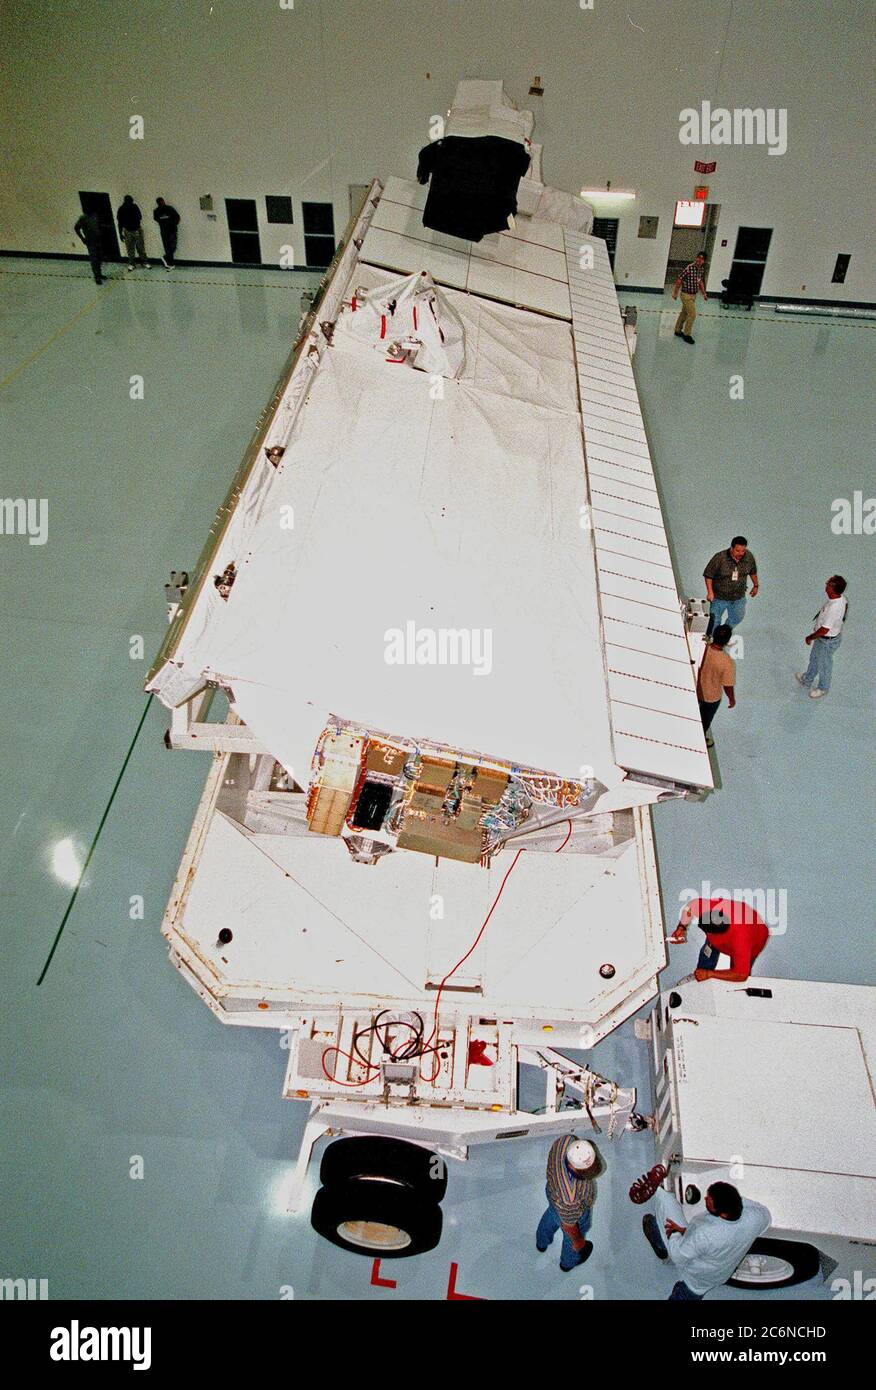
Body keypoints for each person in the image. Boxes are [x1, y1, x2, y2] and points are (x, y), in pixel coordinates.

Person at [642, 1181, 771, 1299]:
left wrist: (675, 1232)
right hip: (720, 1272)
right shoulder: (756, 1218)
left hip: (698, 1277)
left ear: (722, 1213)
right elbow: (765, 1214)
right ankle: (664, 1248)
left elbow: (678, 1255)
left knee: (667, 1203)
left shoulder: (706, 1234)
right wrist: (683, 1231)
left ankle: (664, 1247)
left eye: (709, 1200)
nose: (705, 1198)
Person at [536, 1136, 600, 1271]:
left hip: (552, 1193)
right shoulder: (570, 1198)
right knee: (570, 1239)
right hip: (571, 1212)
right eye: (585, 1173)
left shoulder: (565, 1141)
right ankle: (568, 1263)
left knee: (552, 1215)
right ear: (571, 1165)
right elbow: (569, 1225)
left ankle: (542, 1243)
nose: (589, 1177)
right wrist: (578, 1242)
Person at [670, 896, 769, 984]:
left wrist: (710, 974)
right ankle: (699, 975)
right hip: (739, 921)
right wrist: (681, 927)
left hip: (756, 937)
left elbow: (741, 974)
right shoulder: (710, 907)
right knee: (708, 949)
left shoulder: (741, 939)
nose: (707, 935)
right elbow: (690, 907)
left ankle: (721, 983)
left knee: (735, 976)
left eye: (709, 933)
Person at [796, 575, 848, 700]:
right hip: (823, 640)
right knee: (814, 658)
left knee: (824, 665)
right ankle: (807, 679)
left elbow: (824, 630)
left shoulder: (834, 609)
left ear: (833, 589)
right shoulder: (841, 599)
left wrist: (810, 637)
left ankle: (823, 688)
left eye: (828, 584)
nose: (826, 585)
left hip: (827, 641)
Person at [703, 535, 758, 635]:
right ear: (731, 548)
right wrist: (710, 592)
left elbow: (753, 571)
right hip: (719, 598)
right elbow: (708, 575)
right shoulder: (720, 558)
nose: (741, 553)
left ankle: (723, 633)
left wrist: (755, 585)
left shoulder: (749, 557)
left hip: (738, 598)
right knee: (715, 621)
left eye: (743, 550)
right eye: (738, 551)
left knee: (737, 617)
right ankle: (712, 639)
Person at [696, 623, 735, 747]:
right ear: (727, 641)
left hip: (695, 689)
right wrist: (732, 699)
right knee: (705, 720)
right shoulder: (727, 662)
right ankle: (699, 738)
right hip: (711, 697)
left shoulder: (702, 648)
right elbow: (728, 685)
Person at [672, 250, 707, 343]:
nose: (699, 260)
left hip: (693, 295)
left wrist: (704, 293)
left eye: (702, 259)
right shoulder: (689, 268)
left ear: (704, 261)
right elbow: (679, 280)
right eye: (698, 257)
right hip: (685, 295)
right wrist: (675, 293)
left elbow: (700, 282)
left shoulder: (701, 270)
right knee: (692, 314)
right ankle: (687, 335)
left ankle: (677, 330)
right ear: (696, 258)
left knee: (684, 313)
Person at [116, 194, 148, 270]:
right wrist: (120, 233)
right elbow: (119, 222)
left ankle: (144, 262)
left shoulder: (134, 207)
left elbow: (140, 217)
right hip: (127, 230)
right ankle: (132, 264)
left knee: (140, 248)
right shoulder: (121, 209)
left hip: (137, 229)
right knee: (130, 249)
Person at [74, 209, 104, 285]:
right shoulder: (83, 218)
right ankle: (97, 276)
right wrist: (82, 238)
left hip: (98, 240)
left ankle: (99, 273)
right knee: (94, 259)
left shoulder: (95, 215)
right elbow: (76, 228)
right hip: (91, 241)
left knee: (99, 257)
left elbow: (98, 225)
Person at [153, 197, 180, 268]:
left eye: (162, 202)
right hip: (164, 232)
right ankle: (170, 263)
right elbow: (156, 219)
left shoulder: (170, 208)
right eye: (160, 203)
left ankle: (165, 258)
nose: (162, 203)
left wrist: (174, 224)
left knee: (173, 246)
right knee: (167, 247)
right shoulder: (156, 211)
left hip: (172, 230)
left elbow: (177, 217)